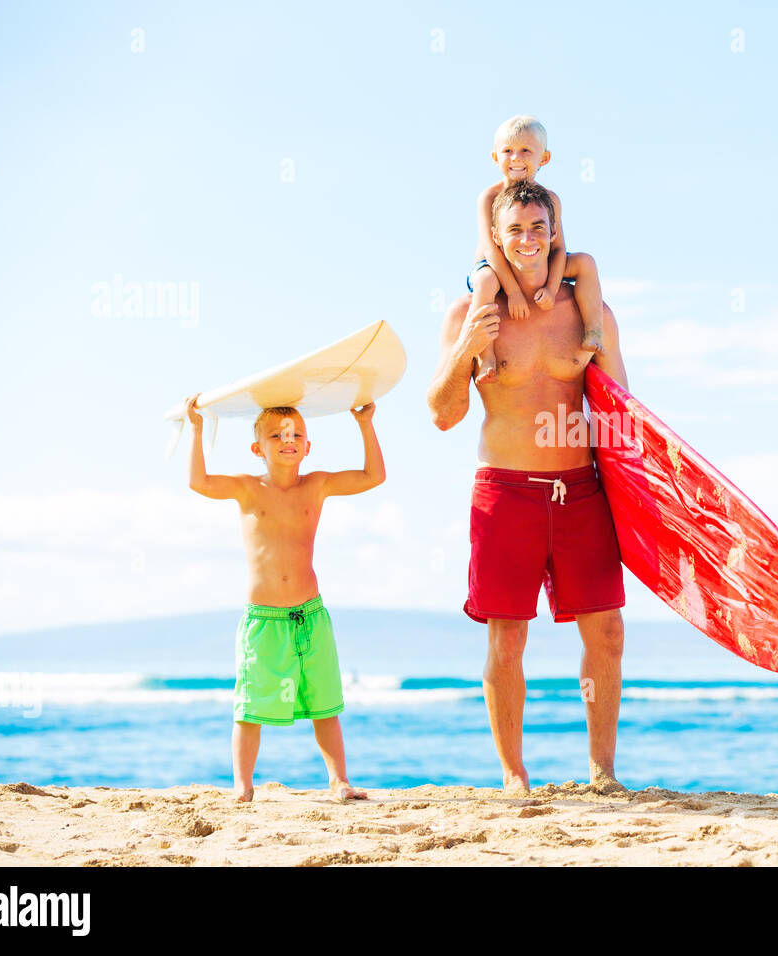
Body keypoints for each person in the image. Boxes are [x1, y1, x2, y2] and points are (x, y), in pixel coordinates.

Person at [428, 179, 629, 795]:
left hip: (581, 490)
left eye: (537, 228)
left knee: (608, 631)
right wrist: (468, 346)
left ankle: (602, 773)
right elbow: (441, 412)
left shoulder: (588, 313)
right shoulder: (468, 315)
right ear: (495, 235)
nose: (527, 240)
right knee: (507, 633)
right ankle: (514, 775)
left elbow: (623, 413)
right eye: (513, 229)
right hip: (506, 491)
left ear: (552, 232)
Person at [184, 398, 386, 802]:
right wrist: (197, 429)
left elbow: (373, 476)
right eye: (275, 435)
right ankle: (242, 786)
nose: (286, 440)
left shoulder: (318, 484)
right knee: (250, 704)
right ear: (258, 448)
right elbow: (200, 483)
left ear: (308, 446)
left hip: (310, 615)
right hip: (264, 620)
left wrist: (364, 424)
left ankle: (339, 780)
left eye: (295, 434)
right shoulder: (246, 487)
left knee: (325, 701)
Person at [467, 114, 604, 384]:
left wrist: (552, 290)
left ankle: (594, 331)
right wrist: (514, 293)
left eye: (525, 151)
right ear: (495, 157)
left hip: (537, 265)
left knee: (585, 262)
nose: (516, 158)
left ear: (544, 158)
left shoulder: (550, 200)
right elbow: (491, 250)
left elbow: (559, 250)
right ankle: (487, 357)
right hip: (492, 268)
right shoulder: (488, 198)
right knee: (484, 280)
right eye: (507, 151)